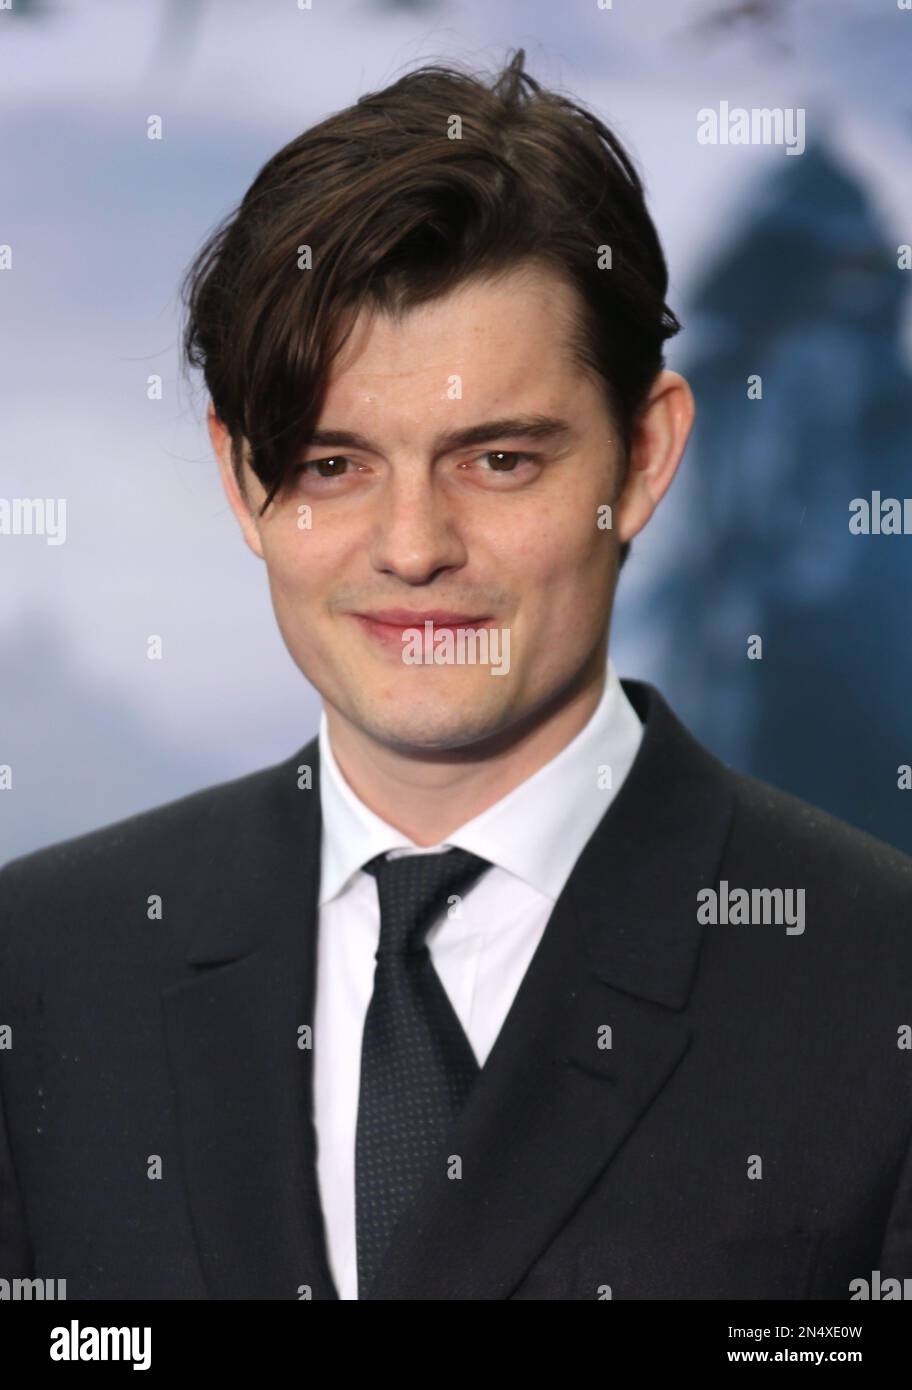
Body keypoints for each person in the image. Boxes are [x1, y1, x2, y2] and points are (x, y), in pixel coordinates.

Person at [1, 50, 910, 1302]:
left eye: (496, 460)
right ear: (238, 481)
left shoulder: (877, 980)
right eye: (333, 464)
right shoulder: (43, 968)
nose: (414, 546)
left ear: (643, 456)